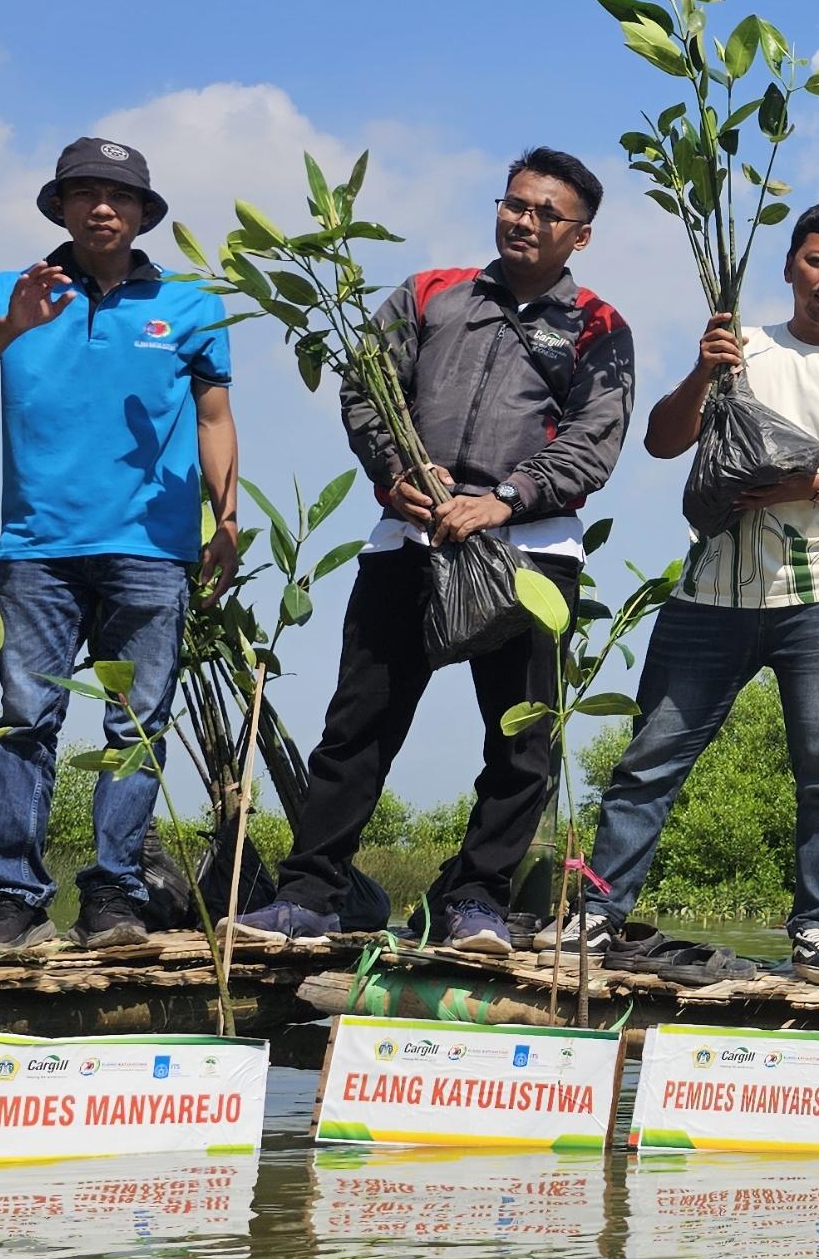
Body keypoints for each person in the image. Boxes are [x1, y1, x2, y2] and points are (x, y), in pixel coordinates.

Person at [235, 151, 635, 944]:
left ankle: (477, 902)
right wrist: (394, 473)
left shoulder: (597, 324)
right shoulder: (428, 293)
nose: (522, 221)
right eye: (513, 204)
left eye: (544, 214)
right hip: (407, 538)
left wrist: (505, 499)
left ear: (580, 236)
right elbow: (364, 389)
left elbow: (596, 441)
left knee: (521, 742)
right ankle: (309, 897)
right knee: (357, 728)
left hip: (531, 556)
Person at [567, 203, 819, 982]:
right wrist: (703, 367)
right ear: (791, 265)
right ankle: (595, 914)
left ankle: (818, 932)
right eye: (818, 261)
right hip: (710, 593)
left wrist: (809, 482)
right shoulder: (741, 348)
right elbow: (663, 440)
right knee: (648, 759)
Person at [0, 139, 237, 950]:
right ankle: (16, 902)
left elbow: (211, 417)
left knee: (136, 726)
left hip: (153, 546)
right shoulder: (10, 290)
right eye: (86, 192)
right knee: (26, 719)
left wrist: (224, 520)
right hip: (37, 545)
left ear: (142, 214)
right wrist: (10, 328)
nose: (103, 207)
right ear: (58, 206)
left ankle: (114, 897)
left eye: (121, 196)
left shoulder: (194, 303)